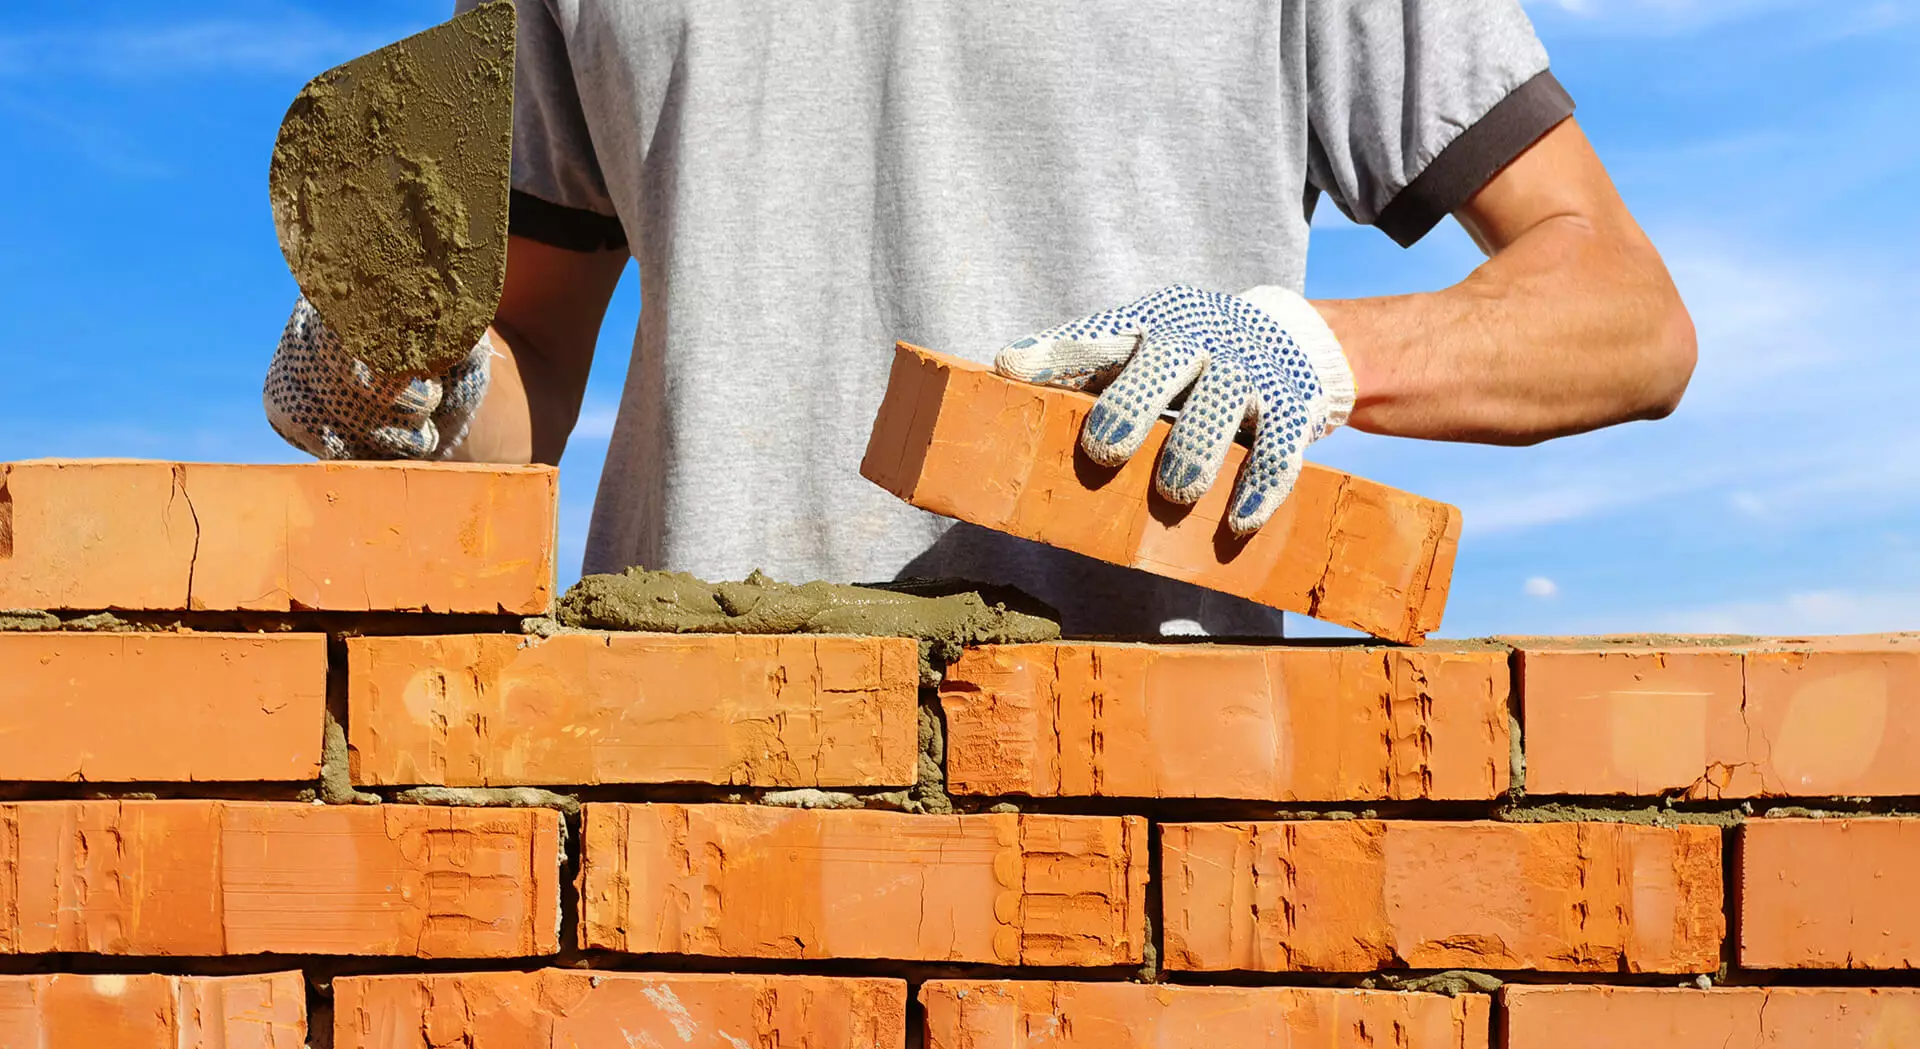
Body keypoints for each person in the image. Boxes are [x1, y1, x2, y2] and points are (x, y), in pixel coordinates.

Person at [266, 0, 1695, 637]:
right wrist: (410, 377)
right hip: (693, 796)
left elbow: (1624, 313)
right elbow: (528, 360)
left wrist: (1315, 354)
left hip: (1137, 838)